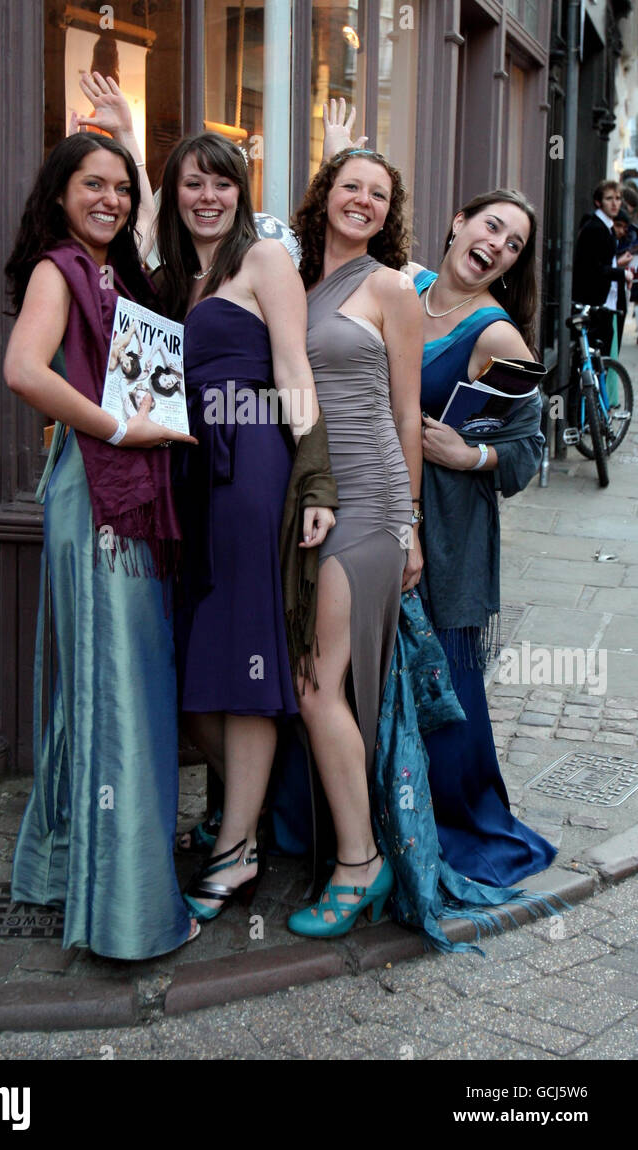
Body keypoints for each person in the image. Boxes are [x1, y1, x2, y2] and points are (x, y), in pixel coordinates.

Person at [3, 133, 199, 959]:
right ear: (58, 194)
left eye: (122, 187)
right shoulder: (58, 268)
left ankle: (62, 872)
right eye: (94, 185)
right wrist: (121, 424)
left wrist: (136, 153)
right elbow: (23, 370)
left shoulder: (115, 270)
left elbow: (147, 241)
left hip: (122, 487)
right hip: (93, 490)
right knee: (117, 684)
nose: (111, 199)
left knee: (110, 678)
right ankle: (129, 913)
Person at [154, 132, 336, 922]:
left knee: (244, 662)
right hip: (185, 477)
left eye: (221, 183)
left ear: (240, 192)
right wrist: (127, 139)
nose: (207, 197)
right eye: (192, 184)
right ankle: (271, 813)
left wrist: (317, 479)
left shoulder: (263, 261)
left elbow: (295, 370)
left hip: (253, 468)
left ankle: (235, 850)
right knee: (195, 670)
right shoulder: (170, 280)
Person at [284, 146, 424, 937]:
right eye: (349, 187)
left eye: (377, 194)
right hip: (305, 502)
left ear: (387, 212)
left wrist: (408, 525)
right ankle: (330, 845)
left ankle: (358, 863)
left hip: (368, 501)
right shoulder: (293, 281)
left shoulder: (390, 287)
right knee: (304, 683)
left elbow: (405, 414)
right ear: (323, 195)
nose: (362, 202)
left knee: (316, 685)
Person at [407, 189, 556, 887]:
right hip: (377, 512)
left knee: (446, 675)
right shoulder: (400, 286)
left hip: (450, 532)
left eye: (513, 244)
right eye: (490, 226)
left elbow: (528, 449)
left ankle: (454, 817)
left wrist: (467, 456)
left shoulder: (496, 335)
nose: (497, 244)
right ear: (458, 221)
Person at [572, 179, 632, 353]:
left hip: (602, 304)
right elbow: (594, 269)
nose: (615, 203)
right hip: (593, 304)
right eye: (609, 198)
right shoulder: (596, 228)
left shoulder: (606, 227)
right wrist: (622, 274)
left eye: (618, 198)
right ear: (598, 202)